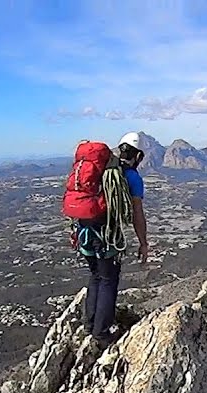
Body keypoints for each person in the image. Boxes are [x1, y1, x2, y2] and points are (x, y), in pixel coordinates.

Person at [78, 132, 149, 345]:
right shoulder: (131, 177)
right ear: (138, 155)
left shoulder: (101, 169)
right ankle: (102, 333)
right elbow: (137, 214)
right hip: (106, 234)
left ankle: (90, 324)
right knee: (109, 280)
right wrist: (143, 243)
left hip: (84, 231)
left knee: (96, 275)